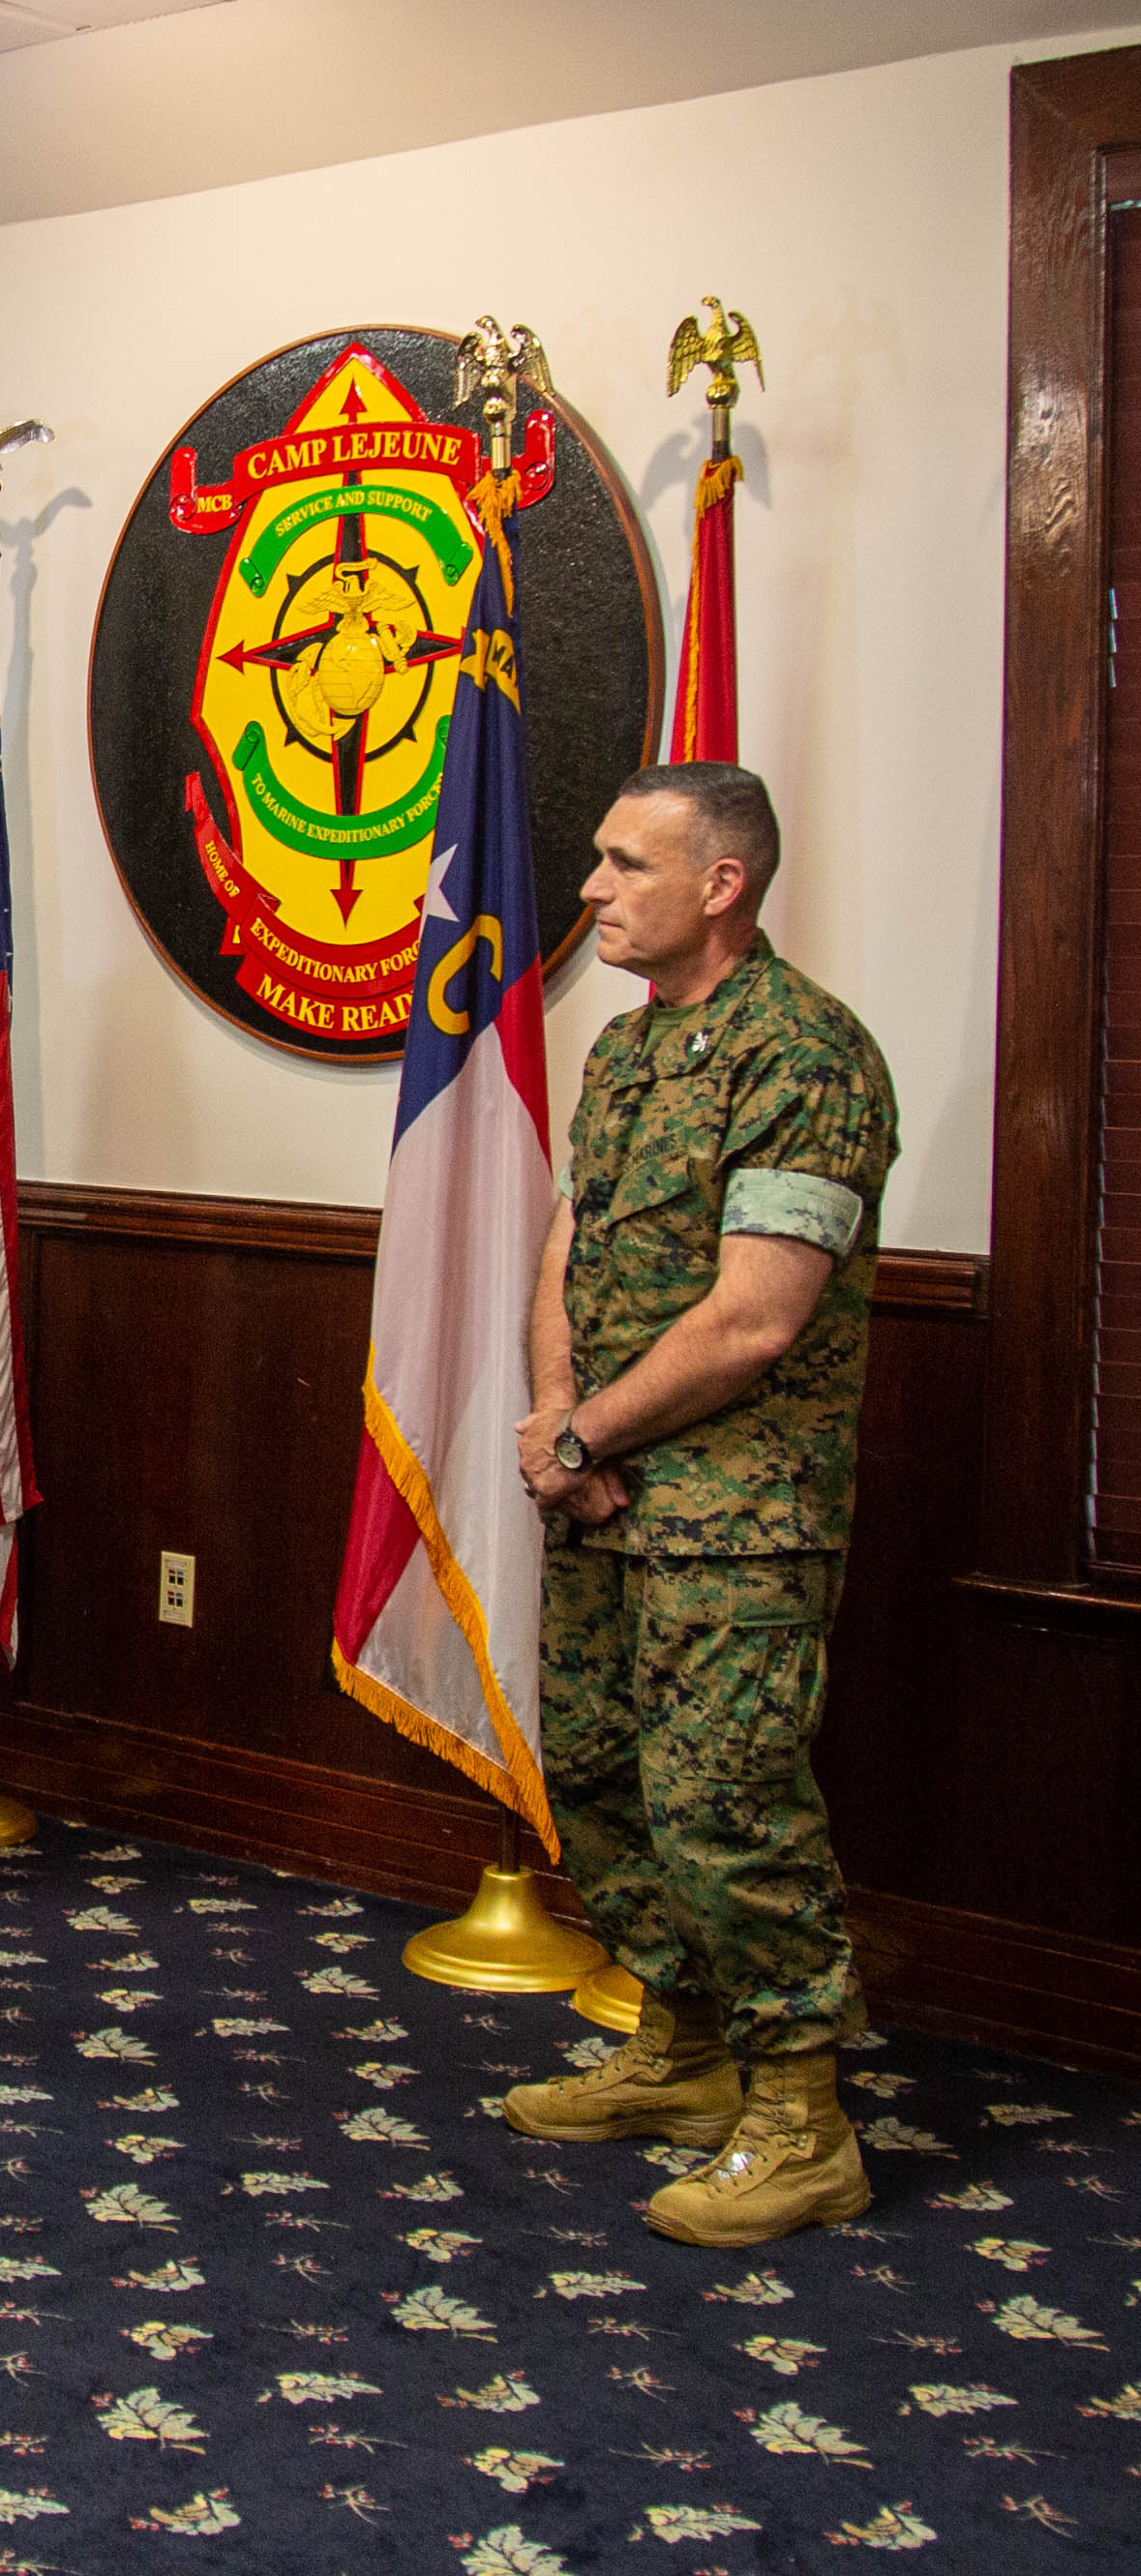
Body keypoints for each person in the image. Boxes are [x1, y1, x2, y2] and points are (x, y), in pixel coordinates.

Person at [504, 762, 897, 2249]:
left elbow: (756, 1320)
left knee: (725, 1802)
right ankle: (684, 2050)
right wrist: (561, 1422)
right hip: (601, 1492)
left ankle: (803, 2119)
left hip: (740, 1516)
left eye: (623, 864)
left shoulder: (806, 1055)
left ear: (721, 884)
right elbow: (570, 1239)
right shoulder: (625, 1051)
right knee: (600, 1777)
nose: (593, 888)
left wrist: (588, 1425)